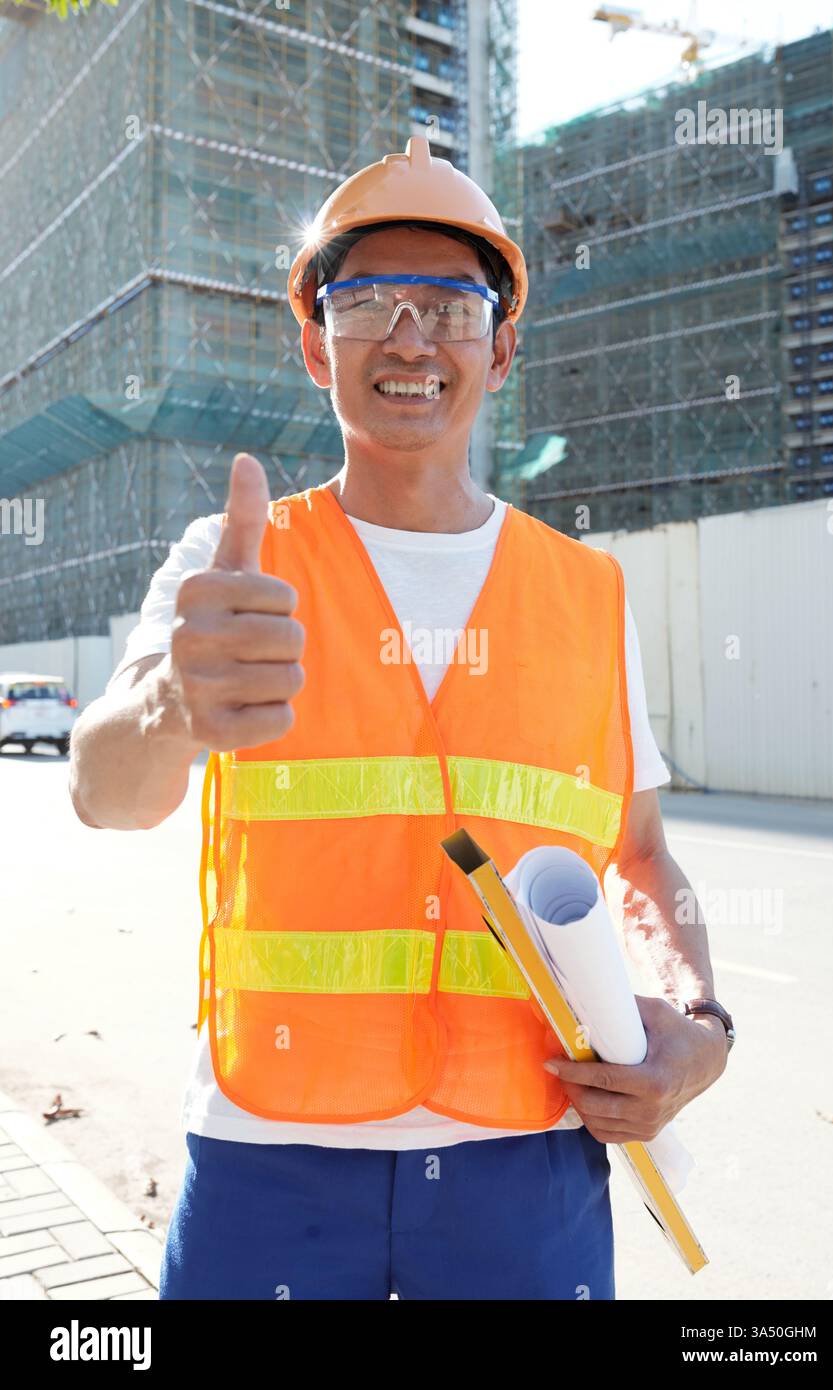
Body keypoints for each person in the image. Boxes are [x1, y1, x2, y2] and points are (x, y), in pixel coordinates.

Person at [69, 137, 733, 1300]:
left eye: (452, 306)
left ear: (503, 346)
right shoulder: (231, 566)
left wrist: (699, 1016)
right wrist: (174, 701)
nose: (411, 337)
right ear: (317, 345)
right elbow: (102, 791)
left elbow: (639, 854)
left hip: (528, 1155)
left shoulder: (589, 592)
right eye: (367, 302)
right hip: (270, 1158)